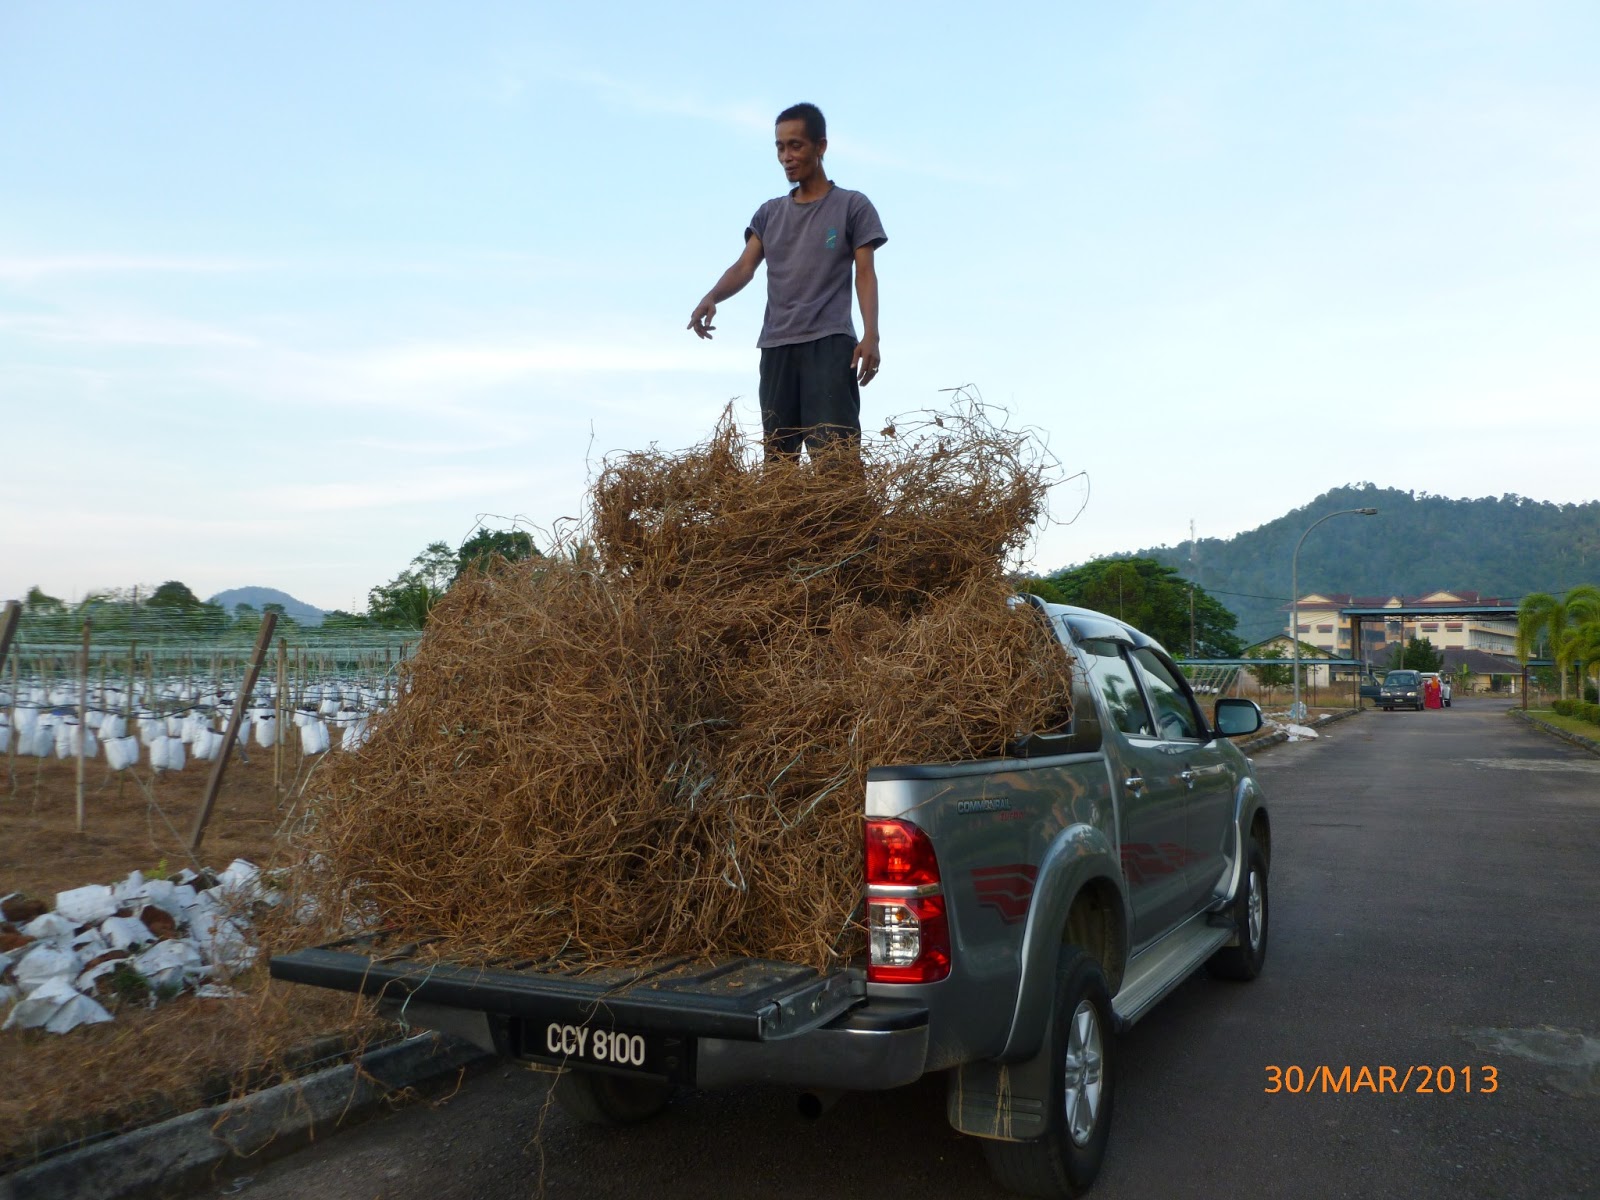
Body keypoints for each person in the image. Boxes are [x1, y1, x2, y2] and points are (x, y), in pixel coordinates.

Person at [688, 103, 887, 460]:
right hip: (776, 347)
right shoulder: (769, 213)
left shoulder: (851, 206)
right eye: (780, 147)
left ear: (820, 146)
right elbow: (745, 266)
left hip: (829, 344)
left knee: (835, 460)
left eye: (795, 145)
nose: (786, 156)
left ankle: (844, 517)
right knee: (778, 466)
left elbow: (865, 273)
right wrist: (713, 295)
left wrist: (871, 334)